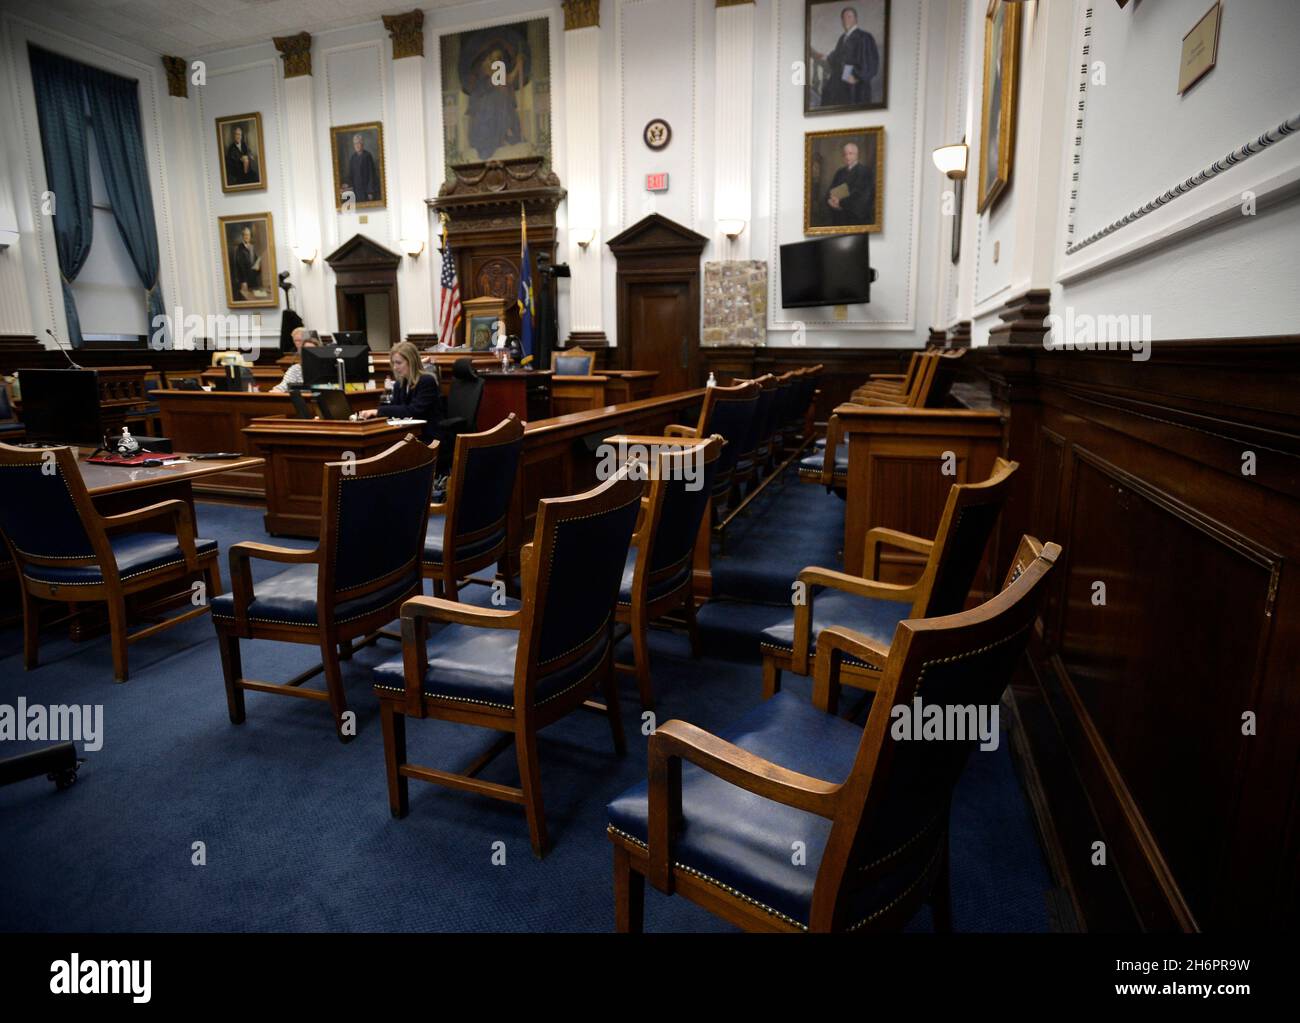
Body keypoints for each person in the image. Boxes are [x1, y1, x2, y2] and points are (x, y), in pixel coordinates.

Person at [358, 341, 443, 444]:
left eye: (398, 363)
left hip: (427, 438)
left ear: (411, 362)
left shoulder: (427, 381)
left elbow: (413, 411)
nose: (395, 367)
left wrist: (378, 411)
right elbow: (395, 409)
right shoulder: (400, 384)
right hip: (407, 436)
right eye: (393, 363)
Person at [814, 7, 881, 108]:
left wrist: (857, 77)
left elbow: (872, 63)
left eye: (849, 17)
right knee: (829, 95)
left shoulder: (864, 37)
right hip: (841, 80)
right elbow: (837, 56)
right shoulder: (843, 38)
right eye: (844, 18)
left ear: (855, 19)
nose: (846, 20)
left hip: (857, 84)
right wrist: (826, 57)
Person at [824, 141, 875, 227]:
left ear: (856, 155)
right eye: (845, 154)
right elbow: (830, 191)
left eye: (850, 154)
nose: (847, 157)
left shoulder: (865, 172)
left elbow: (861, 197)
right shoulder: (839, 172)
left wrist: (840, 202)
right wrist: (829, 200)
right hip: (838, 218)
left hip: (856, 219)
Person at [342, 134, 380, 204]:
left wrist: (370, 192)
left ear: (362, 144)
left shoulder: (367, 156)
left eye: (358, 143)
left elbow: (371, 175)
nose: (357, 145)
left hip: (366, 190)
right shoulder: (353, 158)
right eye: (355, 143)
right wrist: (347, 183)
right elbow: (351, 174)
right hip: (356, 190)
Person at [232, 226, 262, 300]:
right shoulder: (239, 248)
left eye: (248, 235)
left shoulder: (252, 247)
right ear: (242, 236)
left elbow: (256, 261)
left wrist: (258, 267)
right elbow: (238, 266)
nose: (247, 236)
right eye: (245, 235)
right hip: (245, 281)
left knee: (256, 299)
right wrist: (243, 281)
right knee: (247, 299)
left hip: (253, 279)